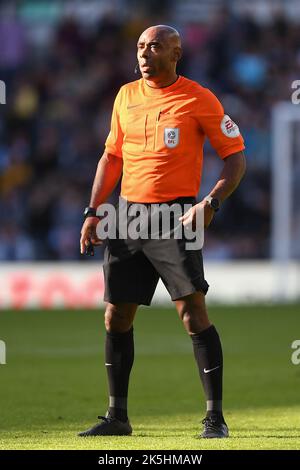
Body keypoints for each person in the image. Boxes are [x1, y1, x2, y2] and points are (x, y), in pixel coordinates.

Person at [79, 25, 246, 438]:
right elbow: (111, 156)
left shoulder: (199, 98)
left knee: (192, 313)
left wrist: (211, 203)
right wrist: (94, 211)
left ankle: (215, 418)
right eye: (139, 46)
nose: (144, 53)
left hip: (178, 216)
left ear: (176, 53)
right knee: (116, 315)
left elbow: (236, 158)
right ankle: (117, 417)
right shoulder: (125, 96)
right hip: (127, 215)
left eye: (153, 46)